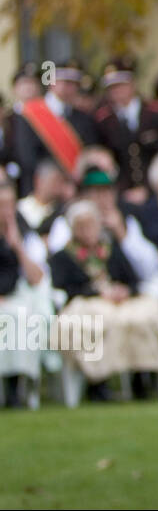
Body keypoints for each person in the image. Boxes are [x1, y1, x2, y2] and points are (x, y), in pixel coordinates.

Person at [50, 199, 158, 396]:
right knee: (96, 323)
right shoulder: (63, 256)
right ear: (72, 229)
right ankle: (98, 383)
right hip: (87, 303)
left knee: (143, 317)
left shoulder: (111, 249)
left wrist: (124, 291)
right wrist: (98, 293)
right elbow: (64, 289)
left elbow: (132, 279)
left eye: (91, 224)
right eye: (81, 226)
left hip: (120, 303)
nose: (87, 230)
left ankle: (143, 375)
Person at [0, 173, 52, 408]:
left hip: (18, 297)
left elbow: (37, 277)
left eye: (9, 205)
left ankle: (15, 387)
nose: (6, 211)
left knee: (21, 318)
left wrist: (17, 245)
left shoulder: (24, 234)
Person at [12, 59, 98, 195]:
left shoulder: (84, 118)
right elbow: (28, 157)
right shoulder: (30, 114)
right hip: (40, 191)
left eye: (73, 83)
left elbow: (90, 150)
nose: (68, 87)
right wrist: (59, 182)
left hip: (76, 191)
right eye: (63, 81)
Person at [94, 57, 158, 203]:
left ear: (133, 84)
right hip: (121, 194)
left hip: (155, 192)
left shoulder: (154, 114)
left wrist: (147, 188)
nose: (117, 91)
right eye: (112, 87)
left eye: (121, 85)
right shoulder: (103, 120)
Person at [17, 159, 70, 237]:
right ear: (38, 180)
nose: (56, 186)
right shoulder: (20, 207)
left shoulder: (62, 211)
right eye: (53, 181)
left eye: (60, 181)